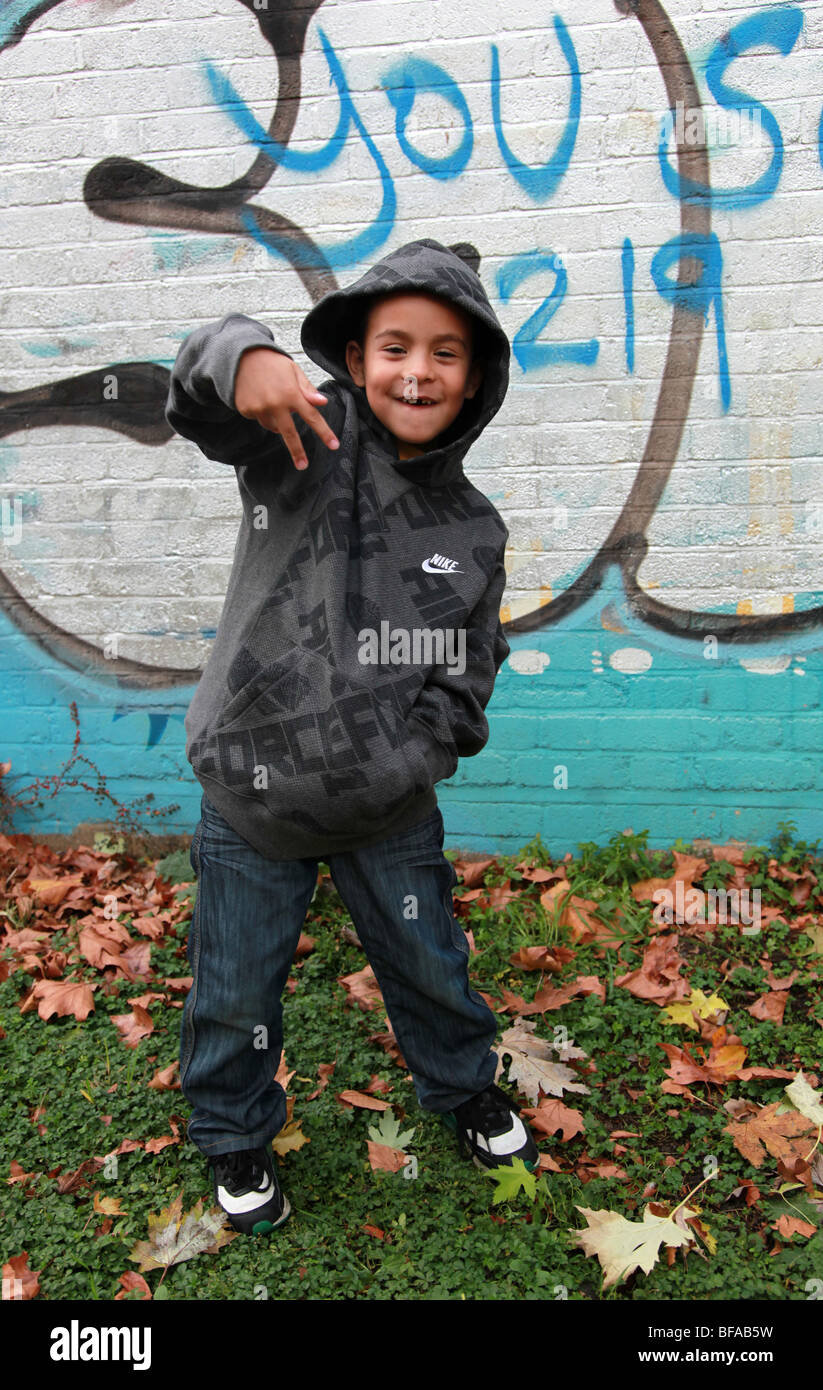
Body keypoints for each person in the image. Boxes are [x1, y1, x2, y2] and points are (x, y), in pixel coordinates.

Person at [165, 237, 539, 1236]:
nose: (416, 370)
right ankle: (233, 1130)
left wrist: (411, 757)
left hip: (390, 811)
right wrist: (242, 357)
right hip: (252, 795)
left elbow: (467, 671)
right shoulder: (303, 436)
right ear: (354, 355)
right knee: (234, 980)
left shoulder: (472, 530)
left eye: (445, 352)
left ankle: (463, 1087)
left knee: (429, 963)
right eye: (394, 346)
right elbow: (199, 385)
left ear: (477, 376)